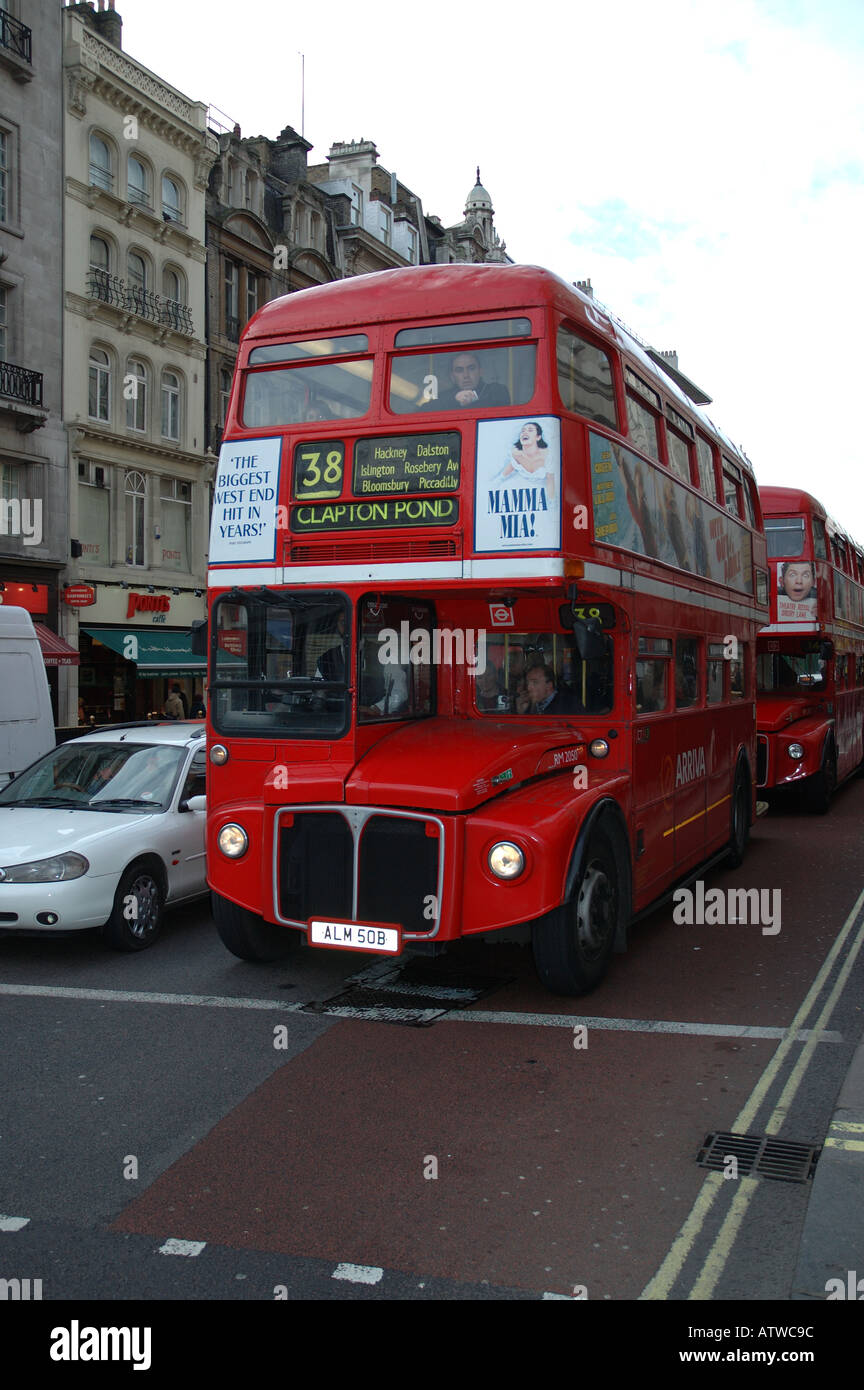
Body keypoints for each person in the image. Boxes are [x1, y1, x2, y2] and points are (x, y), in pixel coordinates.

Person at [429, 352, 511, 411]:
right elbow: (422, 411)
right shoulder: (444, 397)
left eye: (471, 368)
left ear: (480, 372)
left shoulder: (495, 390)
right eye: (459, 370)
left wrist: (471, 401)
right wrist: (454, 401)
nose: (466, 375)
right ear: (452, 376)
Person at [496, 422, 556, 500]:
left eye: (530, 430)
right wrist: (498, 481)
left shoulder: (547, 456)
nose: (525, 432)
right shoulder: (516, 453)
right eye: (523, 431)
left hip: (542, 492)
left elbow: (550, 480)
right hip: (521, 489)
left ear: (538, 437)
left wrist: (550, 500)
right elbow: (511, 466)